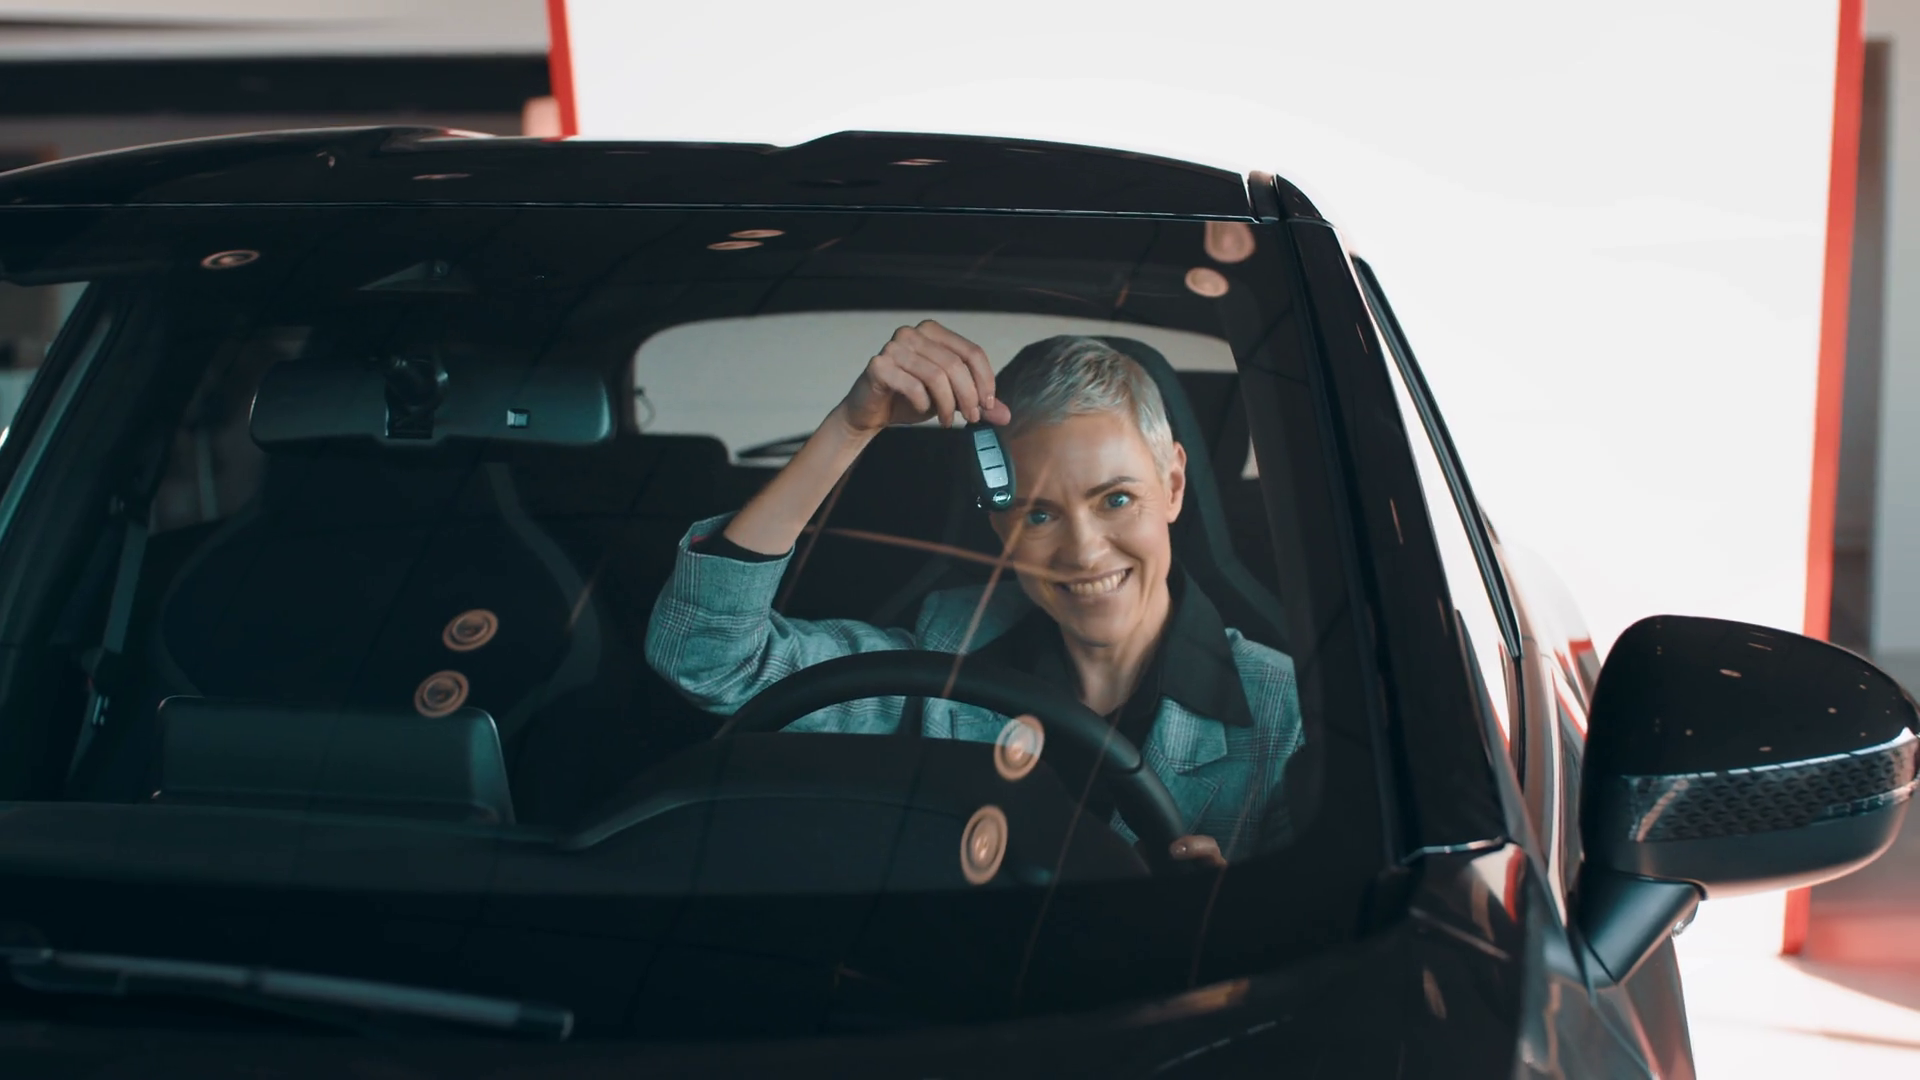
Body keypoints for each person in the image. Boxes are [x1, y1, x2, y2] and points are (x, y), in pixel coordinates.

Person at [645, 321, 1303, 864]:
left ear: (1175, 487)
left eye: (1117, 499)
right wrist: (853, 426)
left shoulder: (1286, 714)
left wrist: (1234, 912)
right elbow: (710, 658)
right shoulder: (941, 663)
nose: (1083, 550)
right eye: (1038, 514)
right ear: (999, 523)